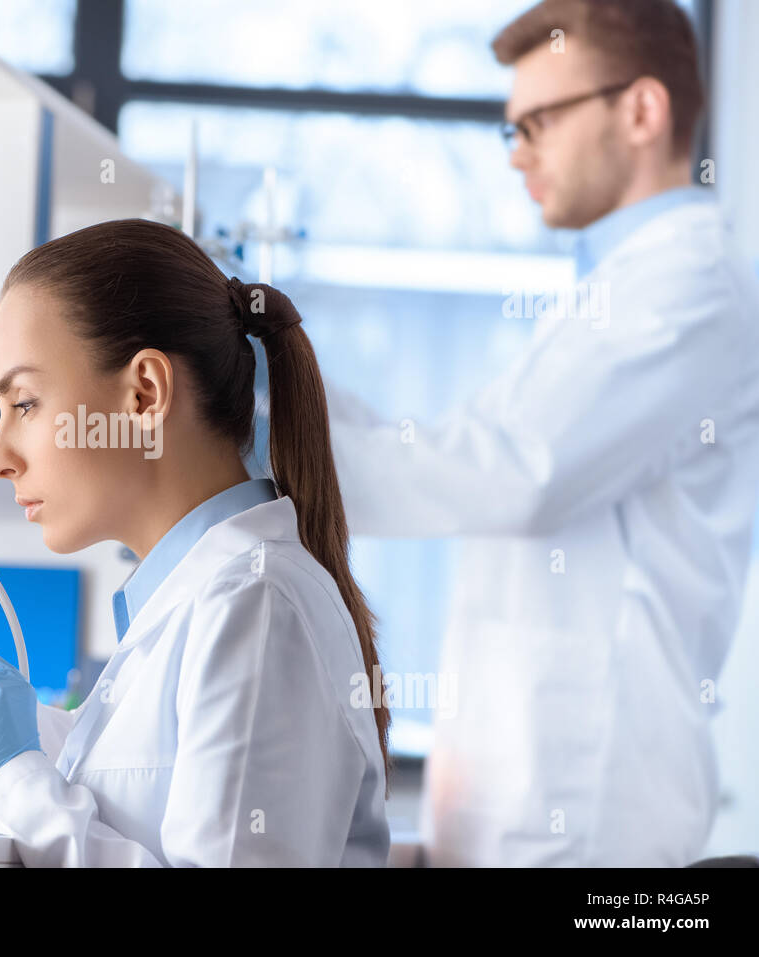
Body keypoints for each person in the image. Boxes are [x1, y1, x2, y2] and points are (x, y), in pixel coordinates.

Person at [322, 0, 759, 865]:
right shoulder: (608, 292)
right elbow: (459, 449)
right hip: (518, 809)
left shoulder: (689, 291)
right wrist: (283, 379)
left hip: (593, 821)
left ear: (641, 110)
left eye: (539, 123)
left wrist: (261, 428)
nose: (517, 152)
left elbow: (507, 475)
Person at [0, 218, 391, 866]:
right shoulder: (205, 600)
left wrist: (15, 779)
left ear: (145, 394)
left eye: (24, 403)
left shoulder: (255, 605)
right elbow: (133, 781)